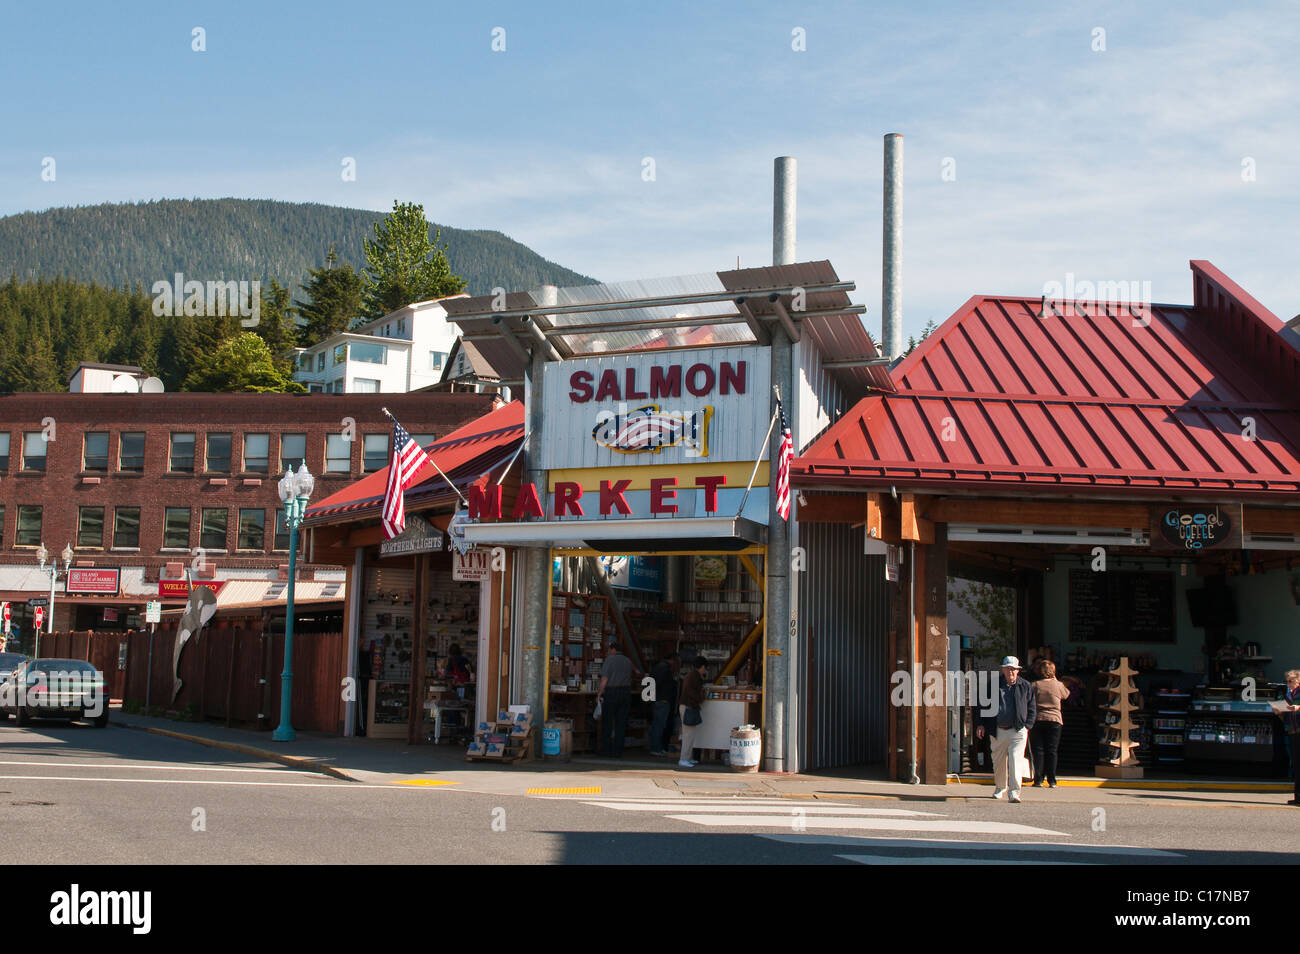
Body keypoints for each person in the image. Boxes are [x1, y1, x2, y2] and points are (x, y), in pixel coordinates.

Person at [975, 656, 1036, 802]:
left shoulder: (1025, 686)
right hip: (997, 730)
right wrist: (981, 724)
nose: (1011, 672)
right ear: (1003, 669)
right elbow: (982, 705)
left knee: (1016, 760)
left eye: (1013, 669)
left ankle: (1014, 792)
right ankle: (1000, 787)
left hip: (1017, 730)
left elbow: (1032, 707)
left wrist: (1027, 725)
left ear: (1018, 671)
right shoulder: (993, 685)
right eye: (1008, 669)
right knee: (998, 761)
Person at [1029, 659, 1070, 788]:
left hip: (1038, 719)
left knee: (1038, 750)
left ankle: (1038, 779)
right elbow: (1066, 695)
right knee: (1052, 750)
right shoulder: (1058, 685)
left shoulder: (1034, 685)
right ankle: (1052, 779)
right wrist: (1056, 680)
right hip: (1054, 720)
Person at [596, 640, 634, 758]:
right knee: (621, 722)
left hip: (612, 692)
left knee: (607, 722)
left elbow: (604, 679)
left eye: (609, 650)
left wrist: (599, 694)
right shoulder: (628, 661)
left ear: (613, 649)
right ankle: (618, 750)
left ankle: (606, 750)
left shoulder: (610, 660)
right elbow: (635, 674)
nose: (608, 652)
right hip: (625, 692)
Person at [678, 656, 708, 768]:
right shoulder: (695, 676)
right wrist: (701, 697)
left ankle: (687, 758)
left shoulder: (691, 675)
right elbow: (692, 692)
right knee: (688, 735)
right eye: (706, 668)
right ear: (703, 666)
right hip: (689, 707)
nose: (706, 670)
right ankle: (683, 759)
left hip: (686, 706)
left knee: (689, 734)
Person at [648, 652, 680, 757]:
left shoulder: (657, 667)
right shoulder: (665, 669)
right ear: (672, 660)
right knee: (659, 725)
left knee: (657, 724)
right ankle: (656, 748)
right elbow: (665, 684)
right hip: (663, 699)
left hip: (657, 699)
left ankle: (656, 747)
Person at [1283, 670, 1300, 805]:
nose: (1288, 683)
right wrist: (1279, 711)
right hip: (1293, 731)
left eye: (1291, 681)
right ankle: (1298, 796)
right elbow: (1286, 714)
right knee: (1296, 763)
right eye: (1287, 681)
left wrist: (1298, 707)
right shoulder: (1289, 694)